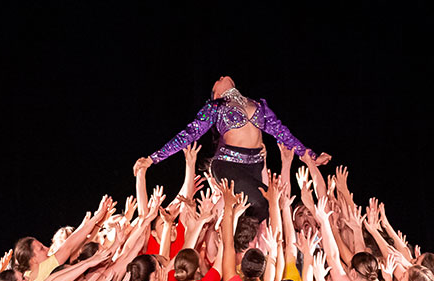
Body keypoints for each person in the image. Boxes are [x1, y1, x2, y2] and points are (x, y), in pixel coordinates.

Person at [134, 76, 330, 222]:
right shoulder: (216, 107)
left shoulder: (259, 105)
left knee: (271, 208)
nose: (220, 77)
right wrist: (153, 159)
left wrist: (311, 155)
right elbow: (188, 134)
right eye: (216, 82)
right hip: (228, 166)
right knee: (264, 203)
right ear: (216, 94)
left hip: (255, 165)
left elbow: (282, 133)